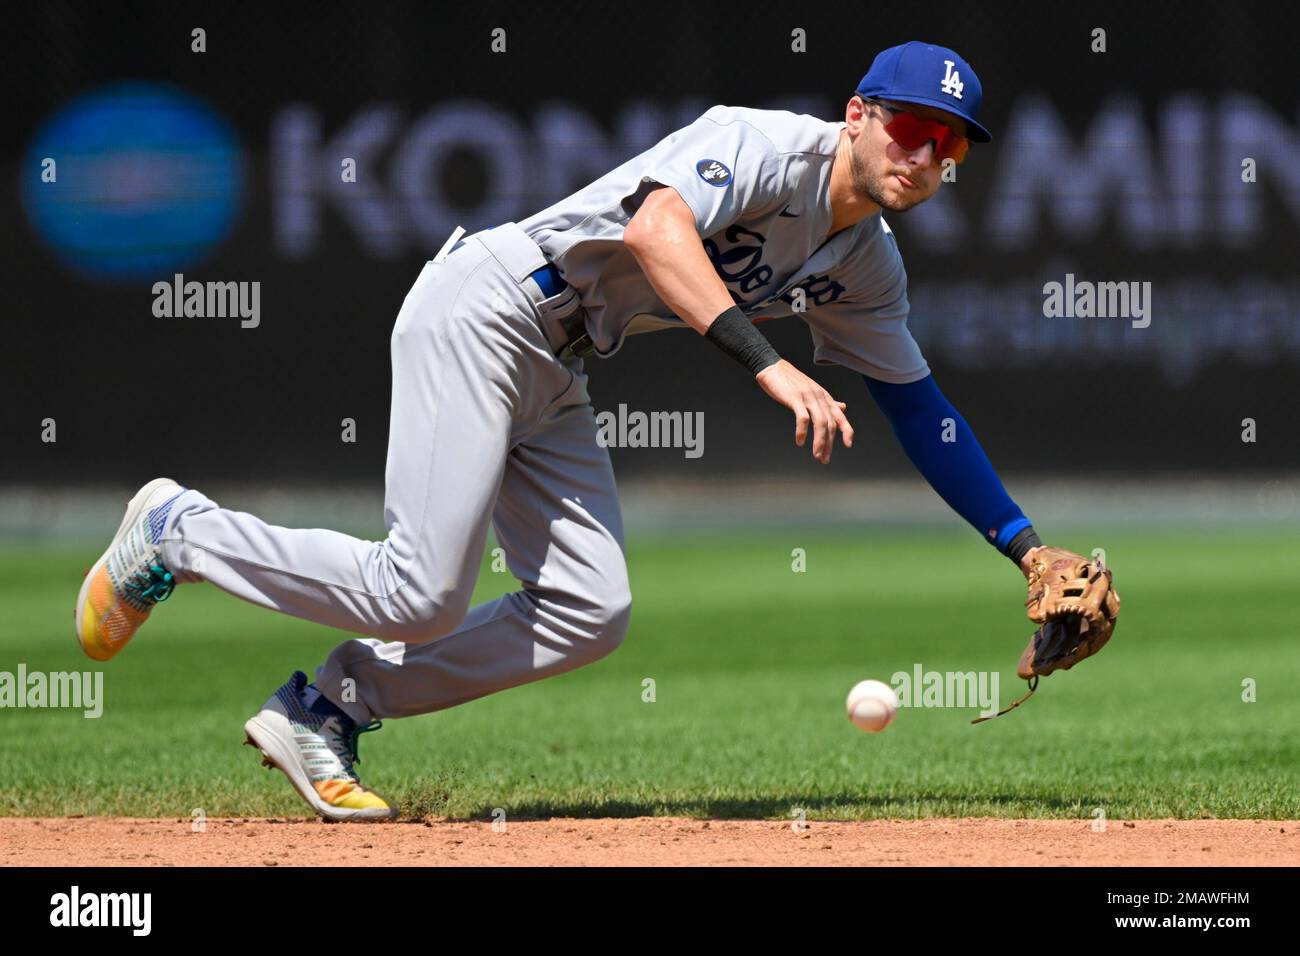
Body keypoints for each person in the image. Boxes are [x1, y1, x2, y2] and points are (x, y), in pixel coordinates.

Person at [75, 42, 1114, 821]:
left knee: (590, 606)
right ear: (855, 114)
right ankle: (177, 531)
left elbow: (921, 410)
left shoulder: (866, 263)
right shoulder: (759, 142)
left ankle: (326, 705)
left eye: (949, 146)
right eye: (908, 126)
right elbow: (656, 228)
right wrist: (770, 364)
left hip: (561, 360)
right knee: (420, 589)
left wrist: (1024, 547)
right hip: (490, 304)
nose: (925, 154)